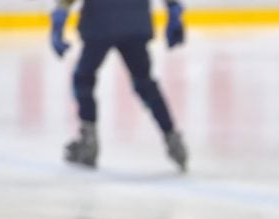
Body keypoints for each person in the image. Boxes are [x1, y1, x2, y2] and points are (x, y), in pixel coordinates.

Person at [49, 0, 188, 171]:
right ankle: (171, 136)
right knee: (145, 83)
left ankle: (88, 138)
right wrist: (173, 10)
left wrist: (59, 19)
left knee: (83, 79)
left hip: (100, 24)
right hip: (134, 23)